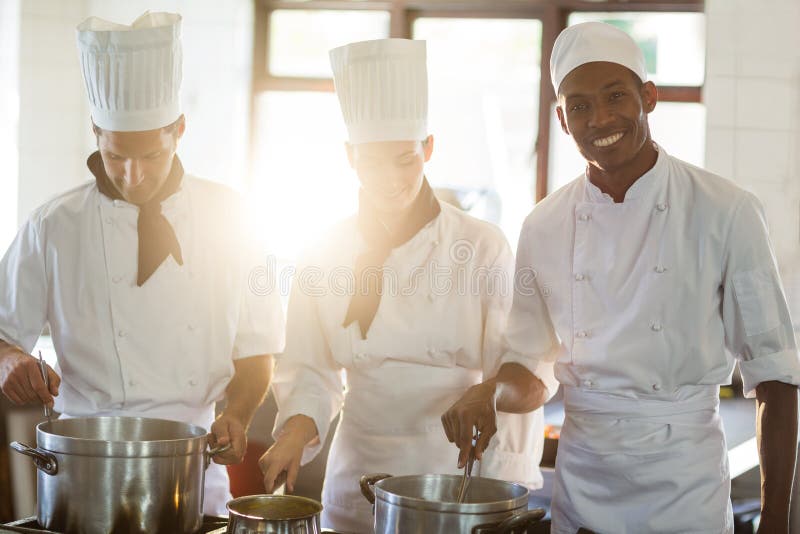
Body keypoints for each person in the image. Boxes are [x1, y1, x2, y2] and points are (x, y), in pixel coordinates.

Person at [445, 21, 800, 534]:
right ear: (562, 120)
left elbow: (775, 375)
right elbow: (529, 369)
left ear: (648, 97)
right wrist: (491, 393)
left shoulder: (727, 210)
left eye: (616, 96)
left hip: (686, 490)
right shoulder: (543, 225)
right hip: (584, 487)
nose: (600, 119)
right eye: (579, 106)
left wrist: (776, 520)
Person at [257, 38, 550, 532]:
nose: (389, 178)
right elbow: (310, 371)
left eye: (404, 159)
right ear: (349, 156)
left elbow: (523, 369)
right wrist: (294, 432)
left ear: (428, 148)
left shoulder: (481, 245)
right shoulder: (323, 249)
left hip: (453, 485)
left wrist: (490, 394)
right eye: (371, 161)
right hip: (356, 479)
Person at [0, 11, 284, 515]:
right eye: (115, 156)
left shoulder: (235, 218)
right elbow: (2, 336)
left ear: (179, 129)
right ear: (96, 132)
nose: (132, 176)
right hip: (83, 470)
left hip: (194, 470)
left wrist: (238, 415)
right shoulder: (52, 226)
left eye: (151, 155)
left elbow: (257, 350)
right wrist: (10, 361)